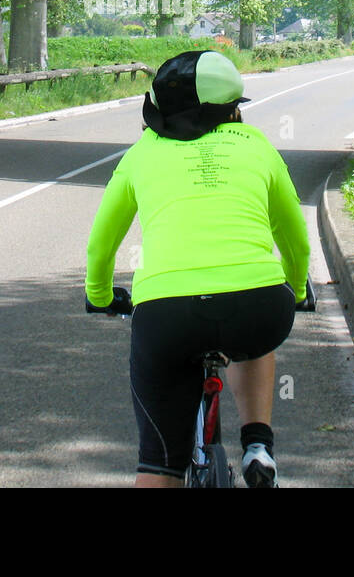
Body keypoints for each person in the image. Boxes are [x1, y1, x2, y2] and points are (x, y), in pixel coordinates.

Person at [84, 49, 310, 488]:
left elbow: (100, 246)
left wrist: (100, 297)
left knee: (157, 463)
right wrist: (296, 289)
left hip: (167, 315)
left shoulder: (141, 154)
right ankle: (258, 445)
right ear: (232, 109)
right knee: (256, 308)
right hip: (259, 308)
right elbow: (295, 238)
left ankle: (164, 468)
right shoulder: (257, 146)